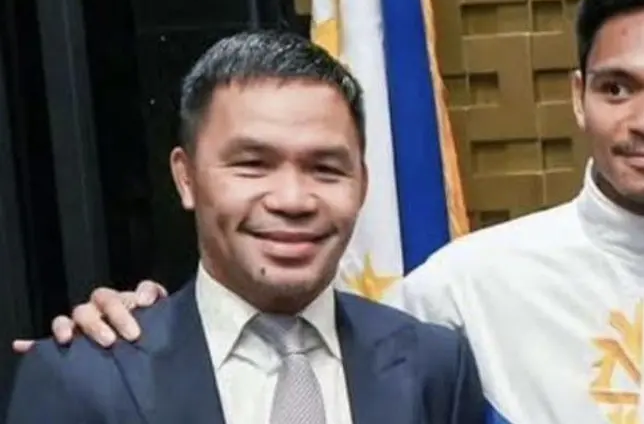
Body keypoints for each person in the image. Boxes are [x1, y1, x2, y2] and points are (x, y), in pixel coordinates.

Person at [15, 0, 644, 422]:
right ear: (579, 97)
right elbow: (265, 311)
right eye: (617, 88)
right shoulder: (460, 292)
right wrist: (138, 320)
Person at [5, 31, 485, 424]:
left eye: (325, 169)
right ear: (186, 178)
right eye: (253, 165)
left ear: (362, 183)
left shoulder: (435, 366)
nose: (292, 200)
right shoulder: (84, 377)